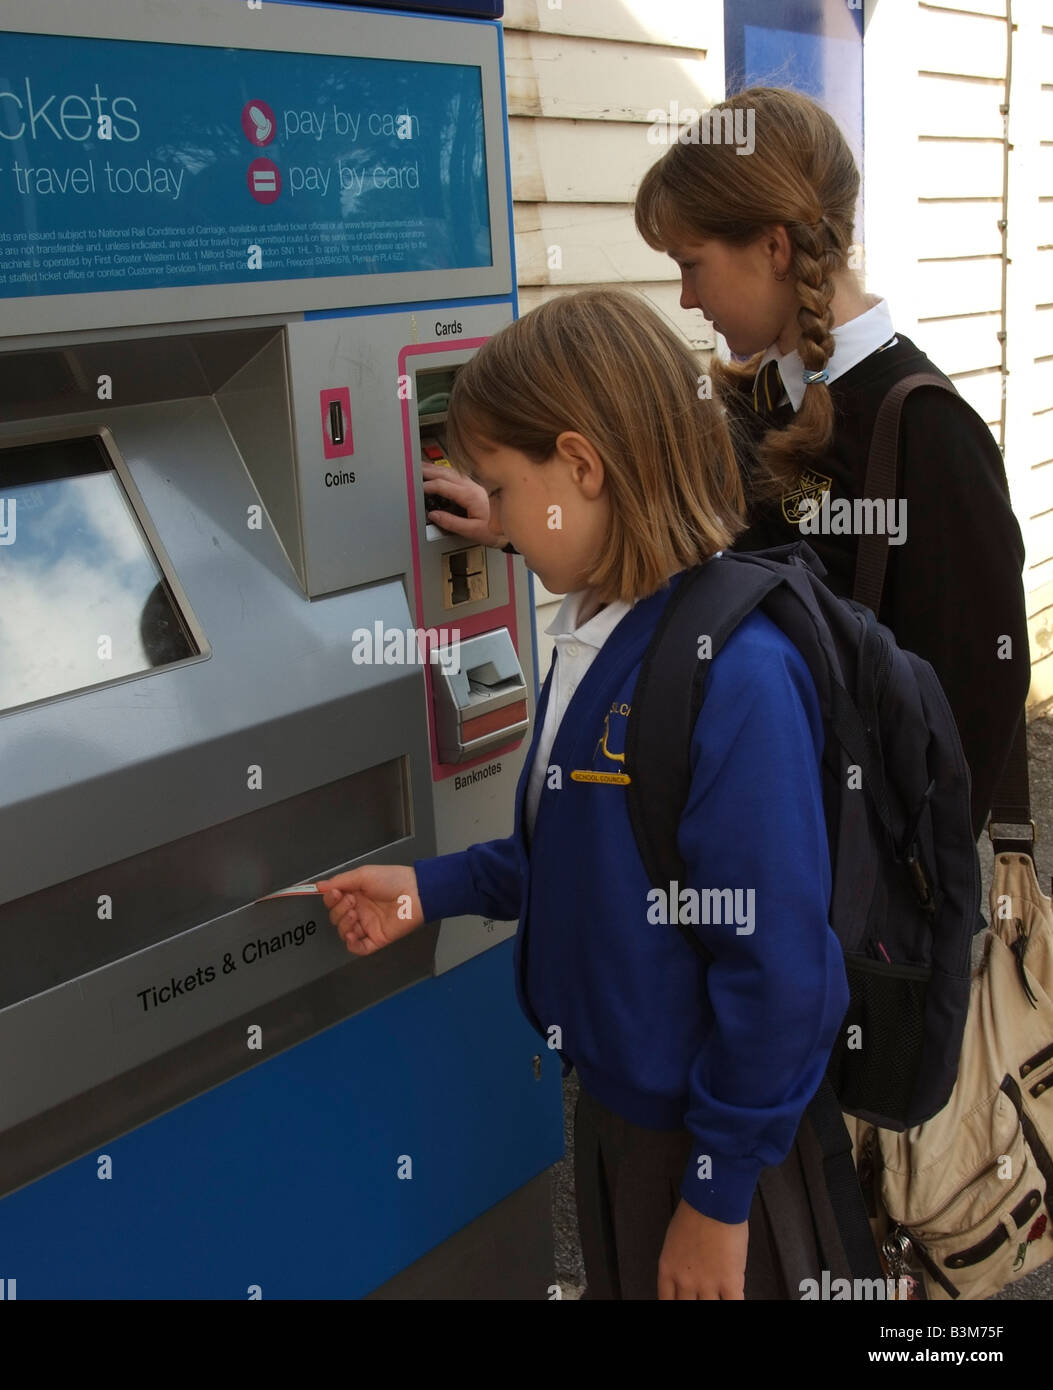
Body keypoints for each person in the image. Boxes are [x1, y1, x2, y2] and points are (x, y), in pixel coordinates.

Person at [319, 287, 850, 1299]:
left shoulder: (733, 676)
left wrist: (716, 1196)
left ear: (582, 466)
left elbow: (782, 973)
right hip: (621, 1115)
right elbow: (598, 854)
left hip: (698, 1149)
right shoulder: (599, 625)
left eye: (502, 490)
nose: (498, 524)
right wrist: (432, 889)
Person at [425, 86, 1029, 842]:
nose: (683, 297)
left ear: (773, 249)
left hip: (840, 894)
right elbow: (685, 545)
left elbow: (980, 692)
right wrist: (521, 516)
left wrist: (896, 899)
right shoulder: (754, 401)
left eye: (691, 263)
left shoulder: (924, 429)